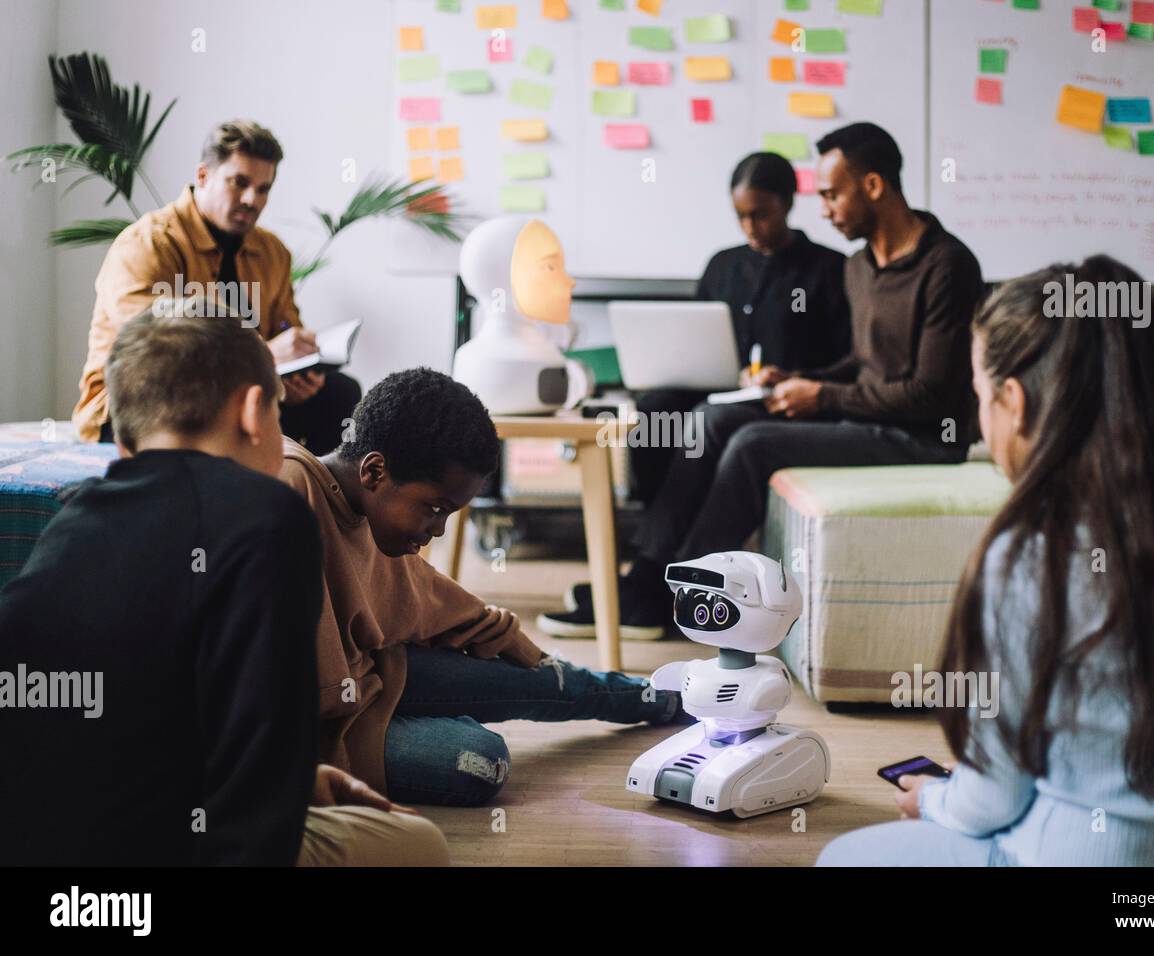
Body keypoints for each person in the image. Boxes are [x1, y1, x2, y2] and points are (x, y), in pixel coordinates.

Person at [818, 257, 1154, 866]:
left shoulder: (1030, 551)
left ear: (1014, 402)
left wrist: (933, 798)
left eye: (980, 394)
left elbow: (992, 804)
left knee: (844, 858)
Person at [0, 300, 446, 866]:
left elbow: (138, 716)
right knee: (421, 845)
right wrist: (287, 791)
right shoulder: (270, 515)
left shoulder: (69, 521)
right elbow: (262, 740)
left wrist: (302, 783)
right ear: (253, 411)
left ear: (127, 438)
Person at [540, 122, 984, 640]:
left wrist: (821, 395)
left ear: (873, 185)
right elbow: (862, 364)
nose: (825, 210)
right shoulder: (862, 266)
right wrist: (796, 379)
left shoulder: (947, 265)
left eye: (832, 195)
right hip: (868, 413)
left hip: (921, 435)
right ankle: (647, 575)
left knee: (752, 444)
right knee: (711, 419)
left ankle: (676, 595)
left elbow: (930, 395)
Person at [279, 367, 692, 808]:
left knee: (546, 678)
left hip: (378, 675)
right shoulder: (286, 490)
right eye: (435, 508)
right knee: (481, 759)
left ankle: (675, 702)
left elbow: (426, 595)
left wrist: (515, 648)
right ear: (375, 471)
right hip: (317, 730)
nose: (439, 529)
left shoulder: (367, 510)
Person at [72, 119, 361, 455]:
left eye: (263, 189)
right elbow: (155, 354)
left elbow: (286, 327)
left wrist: (299, 375)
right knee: (199, 406)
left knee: (339, 393)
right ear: (203, 176)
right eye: (239, 183)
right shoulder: (147, 244)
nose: (252, 199)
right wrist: (265, 356)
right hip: (147, 397)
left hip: (239, 392)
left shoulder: (272, 252)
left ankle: (308, 489)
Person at [630, 151, 850, 503]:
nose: (750, 227)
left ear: (787, 203)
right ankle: (653, 510)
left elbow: (846, 358)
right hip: (721, 389)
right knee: (655, 411)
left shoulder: (829, 269)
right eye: (741, 216)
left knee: (709, 420)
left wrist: (791, 376)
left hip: (781, 399)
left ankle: (667, 529)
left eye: (760, 215)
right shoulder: (722, 266)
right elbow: (694, 343)